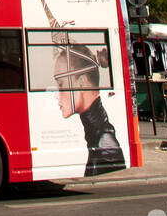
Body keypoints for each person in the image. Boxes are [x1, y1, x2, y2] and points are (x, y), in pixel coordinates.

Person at [53, 45, 125, 176]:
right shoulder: (97, 136)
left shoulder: (104, 144)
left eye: (61, 84)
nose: (56, 94)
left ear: (81, 82)